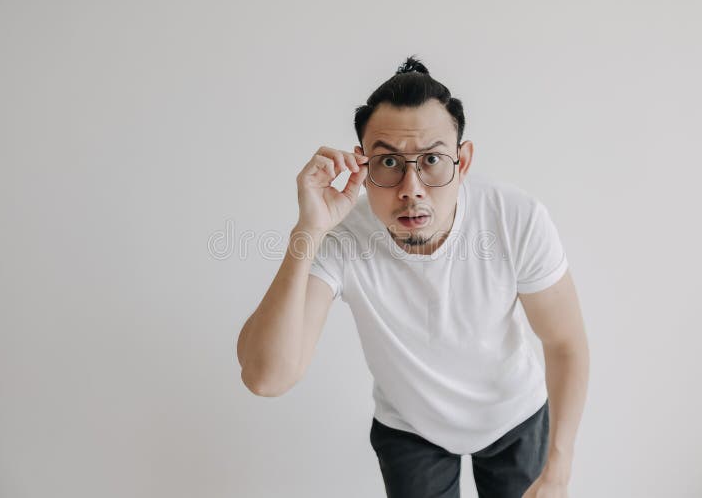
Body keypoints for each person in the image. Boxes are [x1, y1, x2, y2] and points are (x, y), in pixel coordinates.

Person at [237, 56, 589, 498]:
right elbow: (266, 377)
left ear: (462, 162)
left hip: (512, 414)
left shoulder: (515, 218)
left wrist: (558, 467)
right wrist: (308, 230)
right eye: (388, 163)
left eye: (432, 160)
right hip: (411, 425)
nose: (411, 187)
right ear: (362, 168)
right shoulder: (343, 236)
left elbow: (565, 343)